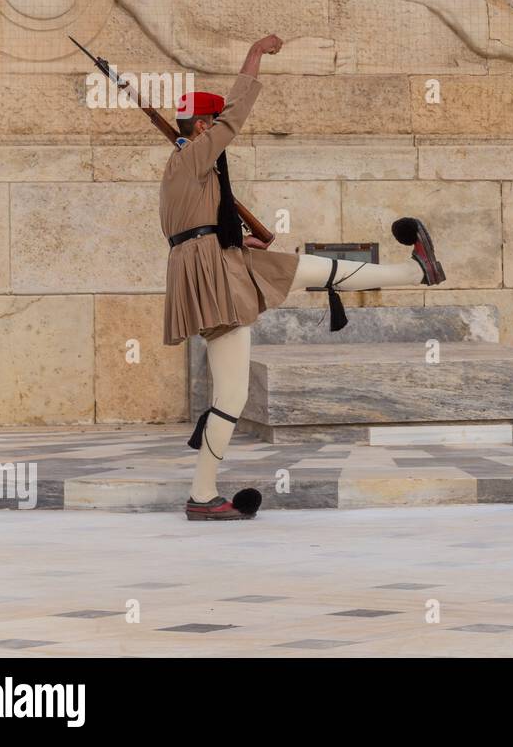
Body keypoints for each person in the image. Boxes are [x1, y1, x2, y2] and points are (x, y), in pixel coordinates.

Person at [161, 34, 445, 520]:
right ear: (203, 125)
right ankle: (203, 495)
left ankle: (416, 271)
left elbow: (188, 229)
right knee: (231, 394)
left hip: (219, 261)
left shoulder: (184, 169)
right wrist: (254, 56)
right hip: (215, 275)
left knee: (309, 268)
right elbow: (236, 114)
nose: (219, 135)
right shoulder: (194, 155)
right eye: (212, 127)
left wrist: (232, 240)